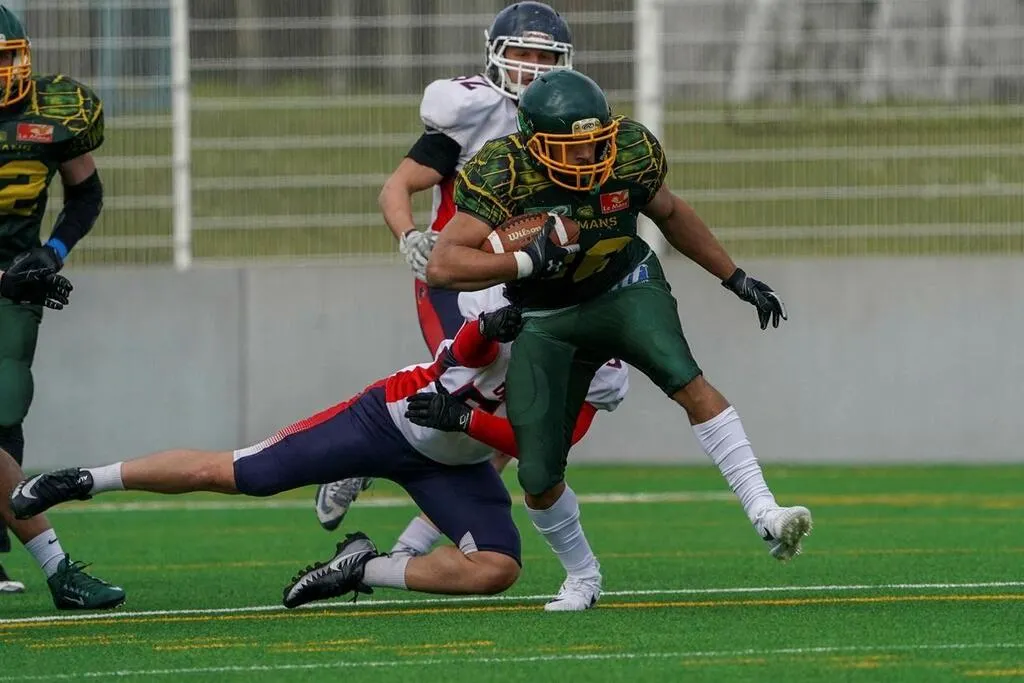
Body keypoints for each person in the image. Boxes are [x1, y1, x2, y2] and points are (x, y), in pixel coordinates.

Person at [426, 69, 813, 572]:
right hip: (544, 314)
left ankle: (765, 511)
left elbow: (669, 212)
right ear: (534, 144)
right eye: (571, 147)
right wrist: (523, 262)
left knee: (687, 380)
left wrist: (734, 277)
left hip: (625, 285)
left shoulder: (630, 151)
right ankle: (582, 577)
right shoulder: (504, 170)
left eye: (595, 141)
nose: (588, 156)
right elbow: (443, 265)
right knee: (537, 476)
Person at [10, 297, 626, 609]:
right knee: (238, 473)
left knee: (496, 569)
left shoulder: (603, 367)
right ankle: (84, 480)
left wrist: (467, 421)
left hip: (456, 461)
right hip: (389, 419)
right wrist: (484, 330)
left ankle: (361, 568)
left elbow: (551, 446)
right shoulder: (520, 301)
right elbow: (464, 354)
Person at [315, 1, 576, 531]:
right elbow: (396, 187)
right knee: (460, 380)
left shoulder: (570, 121)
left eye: (544, 57)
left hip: (524, 278)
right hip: (457, 277)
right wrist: (409, 236)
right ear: (496, 54)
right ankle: (356, 456)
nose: (532, 68)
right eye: (522, 53)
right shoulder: (473, 110)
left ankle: (419, 538)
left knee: (521, 411)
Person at [0, 5, 112, 597]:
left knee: (4, 406)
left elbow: (86, 194)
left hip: (16, 277)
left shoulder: (54, 113)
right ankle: (53, 566)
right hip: (8, 280)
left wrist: (52, 252)